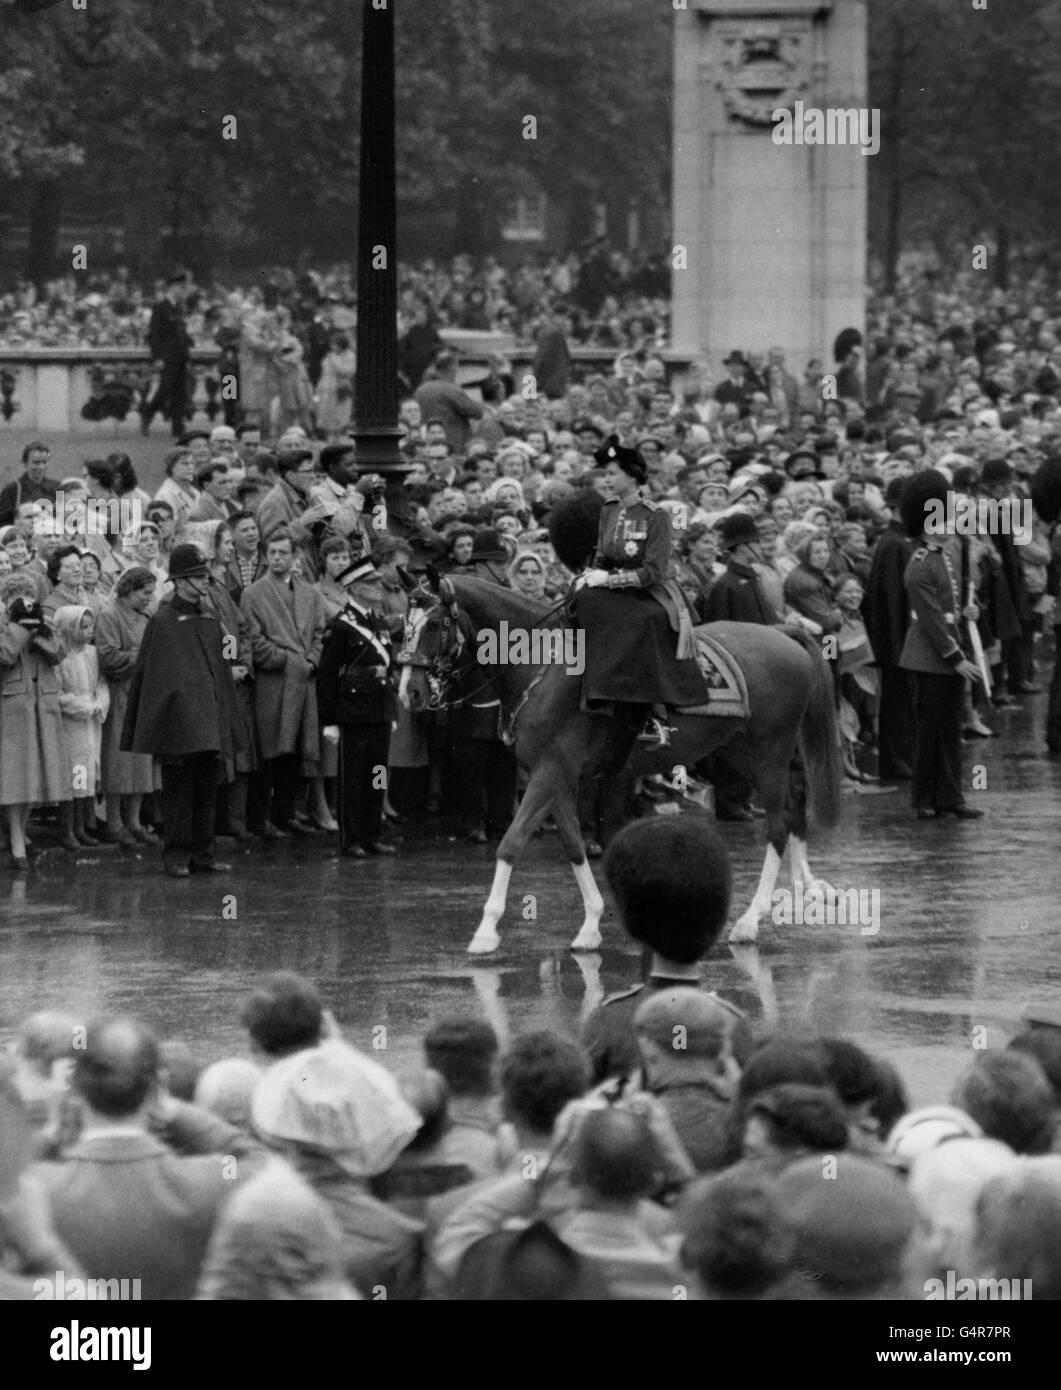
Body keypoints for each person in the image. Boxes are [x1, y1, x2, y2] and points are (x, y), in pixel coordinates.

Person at [38, 1016, 237, 1300]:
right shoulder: (209, 1181)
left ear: (76, 1089)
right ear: (155, 1089)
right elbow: (261, 1162)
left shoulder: (36, 1189)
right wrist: (177, 1111)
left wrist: (52, 1130)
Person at [575, 436, 707, 748]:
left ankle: (652, 711)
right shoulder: (608, 510)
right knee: (578, 603)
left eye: (612, 474)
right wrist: (590, 576)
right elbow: (603, 557)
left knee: (641, 621)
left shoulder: (655, 515)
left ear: (632, 476)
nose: (607, 480)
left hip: (652, 593)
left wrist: (608, 582)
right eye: (605, 474)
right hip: (616, 588)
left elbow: (653, 572)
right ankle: (593, 691)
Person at [121, 544, 236, 877]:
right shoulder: (163, 620)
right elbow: (156, 676)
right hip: (179, 722)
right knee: (179, 792)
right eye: (198, 577)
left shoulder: (209, 617)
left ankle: (204, 853)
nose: (204, 583)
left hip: (207, 718)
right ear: (182, 582)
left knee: (206, 789)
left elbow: (220, 667)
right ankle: (176, 855)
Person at [898, 469, 985, 820]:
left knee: (950, 731)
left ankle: (950, 796)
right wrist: (956, 658)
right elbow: (931, 620)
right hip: (929, 657)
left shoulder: (944, 558)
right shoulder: (919, 565)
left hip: (947, 650)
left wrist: (968, 612)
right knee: (930, 731)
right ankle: (923, 799)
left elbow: (947, 611)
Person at [241, 530, 325, 836]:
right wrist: (289, 661)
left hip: (302, 682)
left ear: (295, 557)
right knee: (269, 750)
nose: (276, 558)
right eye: (272, 553)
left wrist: (312, 661)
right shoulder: (253, 594)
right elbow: (254, 641)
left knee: (295, 752)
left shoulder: (310, 593)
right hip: (273, 684)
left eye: (282, 553)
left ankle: (285, 812)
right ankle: (260, 817)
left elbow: (319, 633)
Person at [317, 559, 397, 858]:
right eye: (372, 584)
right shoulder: (341, 626)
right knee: (352, 776)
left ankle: (371, 833)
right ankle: (352, 838)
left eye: (378, 583)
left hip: (379, 708)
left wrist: (390, 712)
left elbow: (387, 667)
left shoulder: (378, 621)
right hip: (352, 711)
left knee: (377, 772)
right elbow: (328, 676)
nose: (378, 588)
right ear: (354, 588)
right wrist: (329, 720)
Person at [0, 572, 68, 868]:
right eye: (17, 600)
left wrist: (41, 630)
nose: (25, 605)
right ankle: (16, 839)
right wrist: (19, 629)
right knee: (16, 774)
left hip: (43, 703)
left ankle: (20, 832)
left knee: (35, 773)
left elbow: (60, 654)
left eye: (29, 599)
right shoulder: (3, 624)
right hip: (14, 705)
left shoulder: (41, 618)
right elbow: (4, 655)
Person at [95, 567, 160, 846]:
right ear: (129, 590)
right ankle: (114, 822)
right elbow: (107, 657)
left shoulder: (146, 617)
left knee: (141, 761)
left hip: (144, 692)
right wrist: (141, 656)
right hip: (121, 691)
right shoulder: (109, 615)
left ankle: (133, 821)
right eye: (145, 593)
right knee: (118, 761)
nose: (150, 598)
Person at [862, 477, 916, 779]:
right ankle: (896, 758)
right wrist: (899, 647)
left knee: (902, 701)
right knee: (897, 701)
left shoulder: (900, 540)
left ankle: (902, 755)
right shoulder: (894, 544)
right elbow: (894, 601)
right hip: (898, 641)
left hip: (902, 639)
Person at [54, 605, 110, 851]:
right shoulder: (60, 656)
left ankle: (82, 825)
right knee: (75, 774)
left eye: (90, 627)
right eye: (82, 627)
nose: (88, 632)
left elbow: (101, 682)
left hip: (91, 720)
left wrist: (99, 703)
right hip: (72, 723)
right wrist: (82, 706)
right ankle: (68, 828)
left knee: (88, 772)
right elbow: (57, 694)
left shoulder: (92, 653)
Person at [142, 271, 192, 437]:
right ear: (174, 287)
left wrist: (187, 354)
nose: (185, 291)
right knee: (165, 389)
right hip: (167, 357)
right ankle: (148, 413)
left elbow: (181, 334)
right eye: (182, 288)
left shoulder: (178, 308)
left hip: (180, 356)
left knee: (180, 392)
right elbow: (154, 335)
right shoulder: (160, 307)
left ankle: (178, 428)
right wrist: (157, 357)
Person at [702, 513, 774, 624]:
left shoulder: (751, 578)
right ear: (743, 548)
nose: (762, 546)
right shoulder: (724, 585)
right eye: (757, 542)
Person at [414, 350, 485, 455]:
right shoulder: (451, 389)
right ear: (453, 368)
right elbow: (478, 412)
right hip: (451, 443)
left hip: (425, 441)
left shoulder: (420, 390)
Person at [0, 441, 60, 529]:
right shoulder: (14, 489)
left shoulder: (58, 487)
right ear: (25, 464)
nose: (41, 467)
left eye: (44, 462)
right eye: (36, 462)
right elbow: (3, 525)